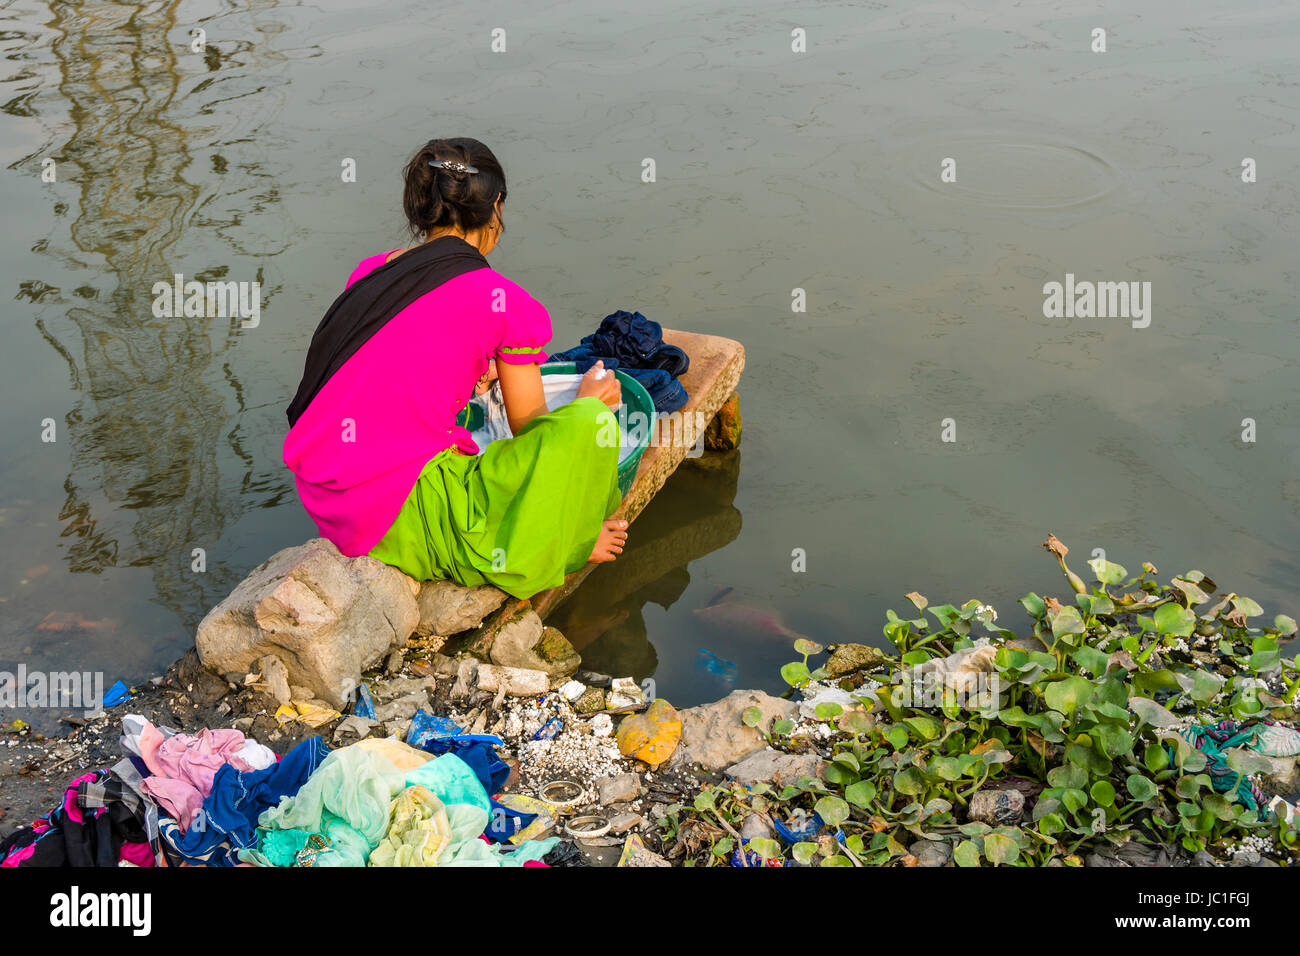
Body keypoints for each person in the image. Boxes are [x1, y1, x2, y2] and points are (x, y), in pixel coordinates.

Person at [283, 137, 628, 598]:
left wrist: (470, 375)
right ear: (496, 207)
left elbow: (381, 368)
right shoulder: (506, 303)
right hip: (399, 516)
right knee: (586, 421)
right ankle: (574, 539)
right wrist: (589, 401)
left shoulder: (369, 272)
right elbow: (532, 430)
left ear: (420, 208)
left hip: (327, 499)